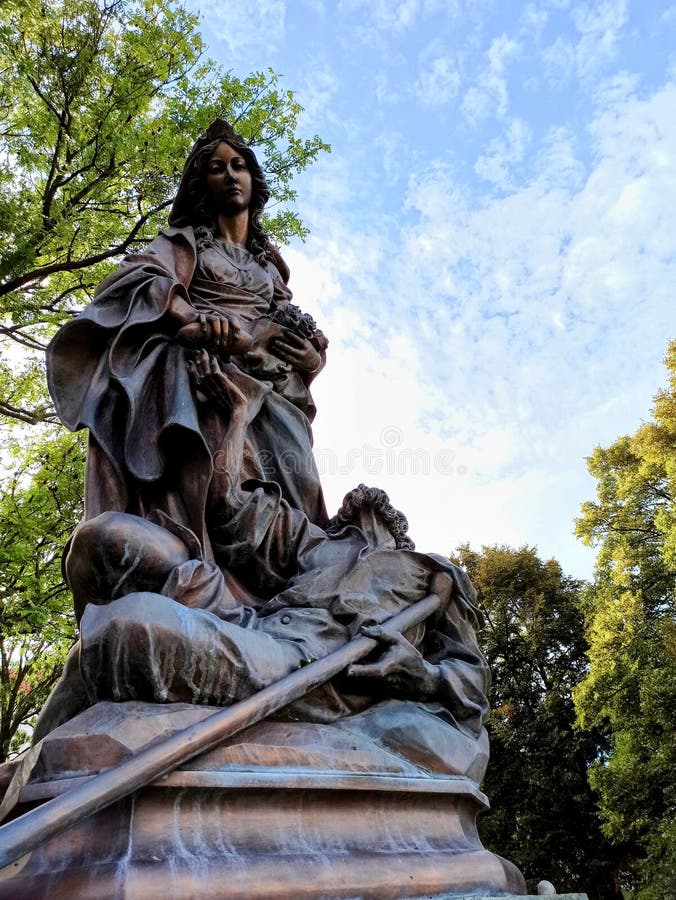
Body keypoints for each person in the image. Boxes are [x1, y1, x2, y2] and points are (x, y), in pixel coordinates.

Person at [38, 121, 490, 781]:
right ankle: (210, 587)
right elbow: (137, 290)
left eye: (239, 165)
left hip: (279, 400)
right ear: (200, 184)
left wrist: (308, 360)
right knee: (226, 506)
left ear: (255, 180)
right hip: (217, 382)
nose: (230, 174)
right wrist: (194, 324)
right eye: (216, 167)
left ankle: (254, 603)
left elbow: (299, 343)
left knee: (293, 502)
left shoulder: (272, 268)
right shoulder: (183, 245)